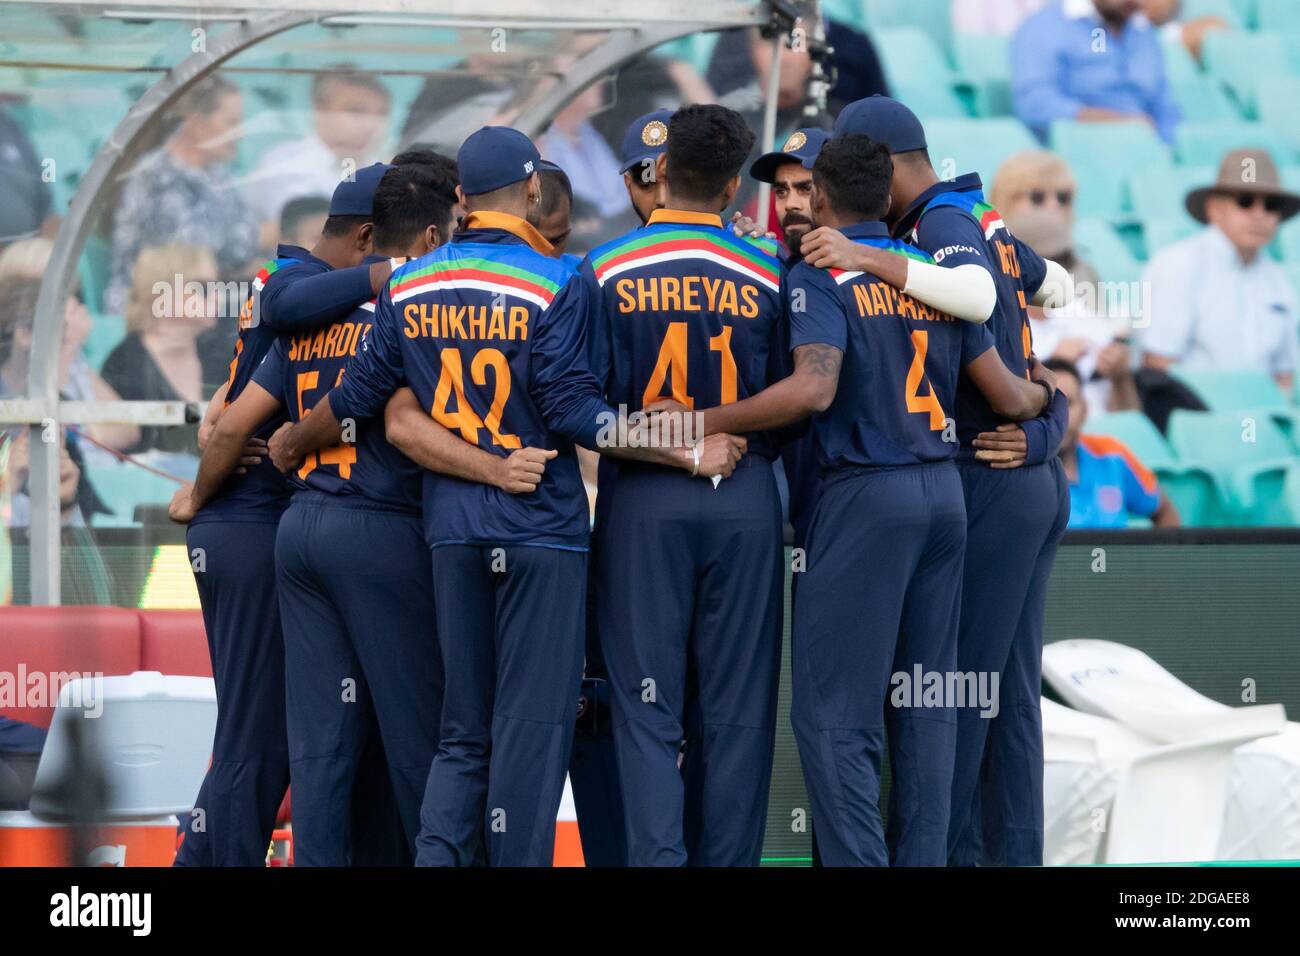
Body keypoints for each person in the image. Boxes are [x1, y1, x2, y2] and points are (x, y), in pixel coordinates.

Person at [269, 126, 743, 866]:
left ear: (461, 198)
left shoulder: (410, 281)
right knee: (532, 732)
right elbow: (578, 413)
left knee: (462, 732)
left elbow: (360, 396)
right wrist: (687, 447)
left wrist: (295, 441)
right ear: (531, 190)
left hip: (452, 530)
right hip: (542, 534)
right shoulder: (560, 281)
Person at [682, 134, 1055, 866]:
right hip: (943, 496)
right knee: (928, 710)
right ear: (886, 196)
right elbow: (1009, 382)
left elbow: (814, 390)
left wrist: (700, 421)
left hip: (864, 496)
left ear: (821, 197)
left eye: (803, 189)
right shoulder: (929, 273)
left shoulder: (820, 271)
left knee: (833, 721)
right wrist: (1053, 409)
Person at [169, 164, 462, 864]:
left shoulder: (305, 303)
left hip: (288, 525)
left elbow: (234, 411)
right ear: (373, 238)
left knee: (319, 741)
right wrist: (197, 492)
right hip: (277, 524)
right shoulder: (313, 294)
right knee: (269, 737)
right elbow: (240, 425)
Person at [822, 96, 1073, 866]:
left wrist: (873, 258)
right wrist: (1049, 418)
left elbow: (980, 297)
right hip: (1024, 469)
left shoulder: (936, 223)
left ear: (885, 163)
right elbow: (1055, 283)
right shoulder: (982, 213)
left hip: (988, 473)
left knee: (958, 695)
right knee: (1007, 699)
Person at [578, 104, 786, 867]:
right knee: (737, 712)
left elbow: (575, 407)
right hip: (746, 493)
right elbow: (800, 400)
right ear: (735, 184)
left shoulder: (601, 268)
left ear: (659, 174)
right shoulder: (771, 270)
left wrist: (667, 437)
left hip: (642, 501)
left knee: (644, 707)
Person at [1140, 148, 1300, 392]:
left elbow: (1284, 375)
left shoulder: (1277, 278)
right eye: (1245, 201)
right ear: (1215, 208)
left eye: (1271, 205)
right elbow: (1158, 365)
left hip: (1258, 417)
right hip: (1196, 417)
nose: (1259, 214)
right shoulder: (1179, 264)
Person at [106, 75, 257, 314]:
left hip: (208, 296)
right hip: (154, 306)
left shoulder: (218, 174)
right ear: (196, 122)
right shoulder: (157, 177)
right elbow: (190, 261)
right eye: (231, 123)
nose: (239, 133)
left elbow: (243, 244)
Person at [100, 244, 225, 457]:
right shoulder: (126, 362)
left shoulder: (219, 352)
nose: (219, 296)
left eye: (219, 286)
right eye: (204, 288)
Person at [1012, 0, 1180, 145]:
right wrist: (1120, 123)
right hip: (1081, 150)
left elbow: (1165, 107)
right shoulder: (1044, 26)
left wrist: (1166, 146)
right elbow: (1035, 104)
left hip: (1146, 153)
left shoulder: (1143, 31)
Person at [246, 70, 392, 227]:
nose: (370, 125)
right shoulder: (284, 164)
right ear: (320, 110)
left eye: (380, 114)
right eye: (355, 111)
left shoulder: (386, 172)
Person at [1045, 357, 1179, 528]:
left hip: (1114, 557)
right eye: (1048, 403)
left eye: (1068, 403)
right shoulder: (1019, 471)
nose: (1058, 416)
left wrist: (1162, 555)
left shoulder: (1113, 455)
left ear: (1085, 409)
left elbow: (1164, 511)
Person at [617, 109, 672, 226]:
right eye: (646, 185)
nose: (662, 199)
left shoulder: (720, 242)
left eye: (673, 183)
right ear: (628, 186)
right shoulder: (623, 245)